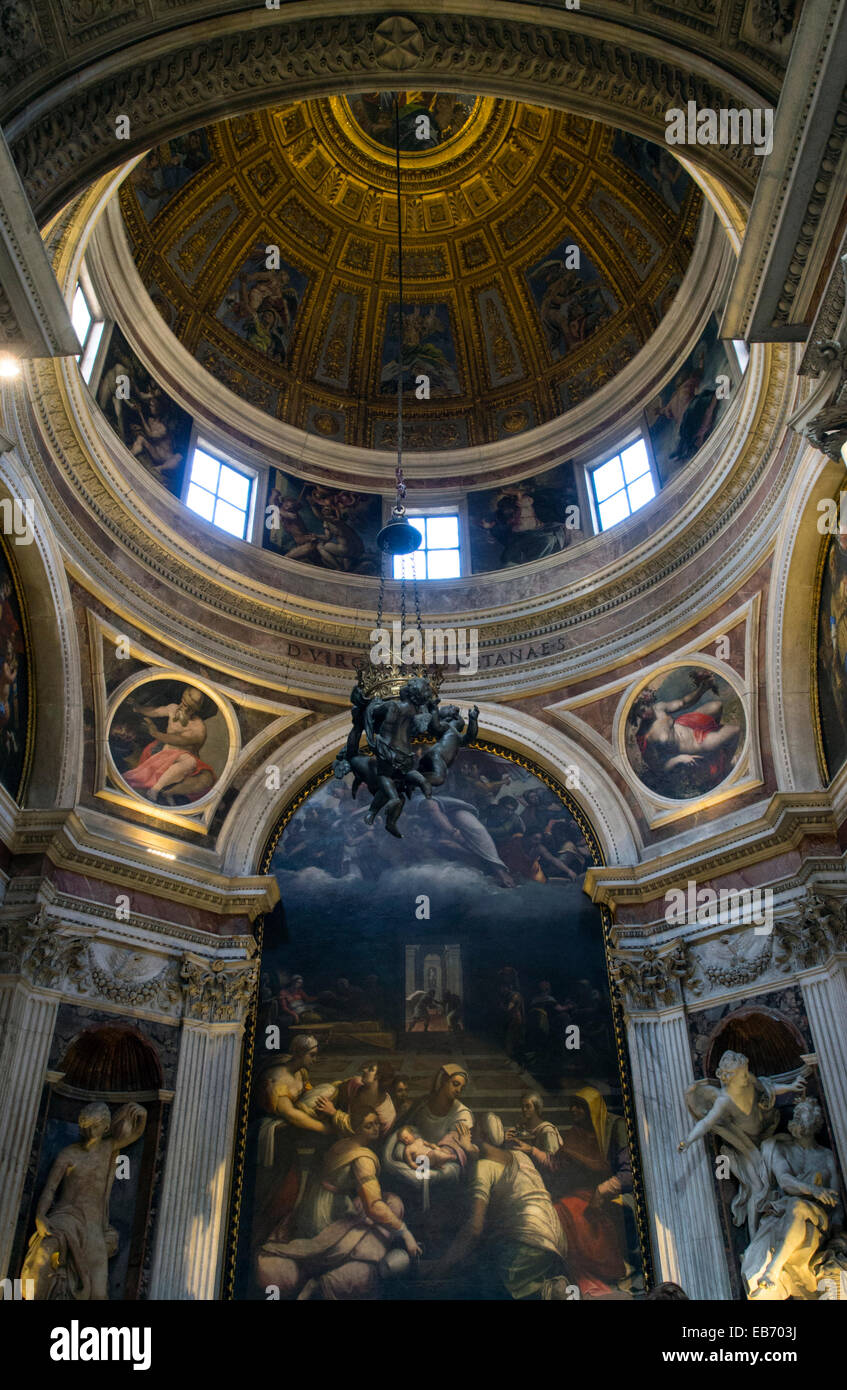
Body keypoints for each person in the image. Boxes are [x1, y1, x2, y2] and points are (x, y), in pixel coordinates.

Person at [257, 1110, 422, 1299]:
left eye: (376, 1123)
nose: (375, 1128)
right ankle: (328, 1276)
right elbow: (373, 1205)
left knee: (384, 1205)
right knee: (376, 1225)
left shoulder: (343, 1142)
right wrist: (405, 1232)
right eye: (368, 1125)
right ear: (356, 1129)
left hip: (314, 1203)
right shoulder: (363, 1158)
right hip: (329, 1214)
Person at [426, 1112, 568, 1299]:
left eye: (473, 1131)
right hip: (557, 1238)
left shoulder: (484, 1168)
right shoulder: (520, 1156)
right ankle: (551, 1289)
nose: (470, 1134)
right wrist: (470, 1149)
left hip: (527, 1240)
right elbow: (493, 1158)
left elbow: (475, 1228)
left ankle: (546, 1292)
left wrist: (441, 1268)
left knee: (487, 1284)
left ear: (481, 1137)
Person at [512, 1087, 633, 1295]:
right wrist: (530, 1150)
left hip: (610, 1195)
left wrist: (602, 1191)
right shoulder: (575, 1134)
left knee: (562, 1212)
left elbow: (629, 1173)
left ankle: (593, 1269)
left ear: (591, 1109)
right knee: (553, 1211)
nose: (574, 1110)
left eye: (580, 1107)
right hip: (579, 1194)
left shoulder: (615, 1127)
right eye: (573, 1106)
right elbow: (556, 1163)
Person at [21, 1101, 147, 1300]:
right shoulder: (69, 1154)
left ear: (105, 1127)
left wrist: (142, 1114)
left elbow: (135, 1134)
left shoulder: (108, 1148)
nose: (89, 1130)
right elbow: (50, 1189)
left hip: (93, 1227)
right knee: (42, 1256)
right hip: (65, 1218)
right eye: (86, 1125)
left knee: (99, 1291)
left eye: (95, 1125)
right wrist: (40, 1216)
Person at [741, 1098, 841, 1300]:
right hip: (785, 1211)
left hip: (818, 1217)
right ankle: (773, 1269)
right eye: (794, 1114)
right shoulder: (782, 1149)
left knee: (799, 1206)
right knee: (796, 1205)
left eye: (801, 1114)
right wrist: (813, 1189)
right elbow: (785, 1180)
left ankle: (773, 1268)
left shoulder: (827, 1156)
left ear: (815, 1122)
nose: (795, 1118)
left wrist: (837, 1238)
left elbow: (837, 1200)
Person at [628, 669, 741, 790]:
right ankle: (726, 766)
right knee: (735, 730)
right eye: (640, 714)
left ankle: (714, 754)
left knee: (716, 706)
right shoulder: (644, 735)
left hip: (688, 724)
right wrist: (678, 759)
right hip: (694, 743)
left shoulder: (658, 708)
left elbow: (683, 702)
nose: (644, 715)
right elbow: (658, 767)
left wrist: (702, 689)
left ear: (646, 701)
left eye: (644, 708)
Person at [123, 686, 214, 802]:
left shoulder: (199, 728)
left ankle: (161, 791)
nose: (182, 707)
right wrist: (138, 708)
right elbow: (155, 711)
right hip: (165, 751)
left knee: (192, 764)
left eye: (187, 706)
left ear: (194, 710)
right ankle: (155, 790)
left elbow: (179, 740)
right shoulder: (173, 709)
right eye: (182, 702)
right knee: (188, 762)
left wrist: (156, 733)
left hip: (184, 757)